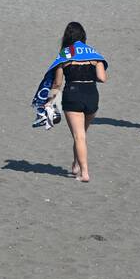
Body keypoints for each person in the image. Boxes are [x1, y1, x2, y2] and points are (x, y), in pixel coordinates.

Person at [50, 22, 108, 183]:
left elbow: (57, 83)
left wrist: (50, 101)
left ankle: (84, 173)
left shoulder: (65, 54)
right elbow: (102, 78)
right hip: (91, 95)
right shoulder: (94, 54)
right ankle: (76, 165)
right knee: (81, 134)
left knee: (79, 136)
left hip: (73, 95)